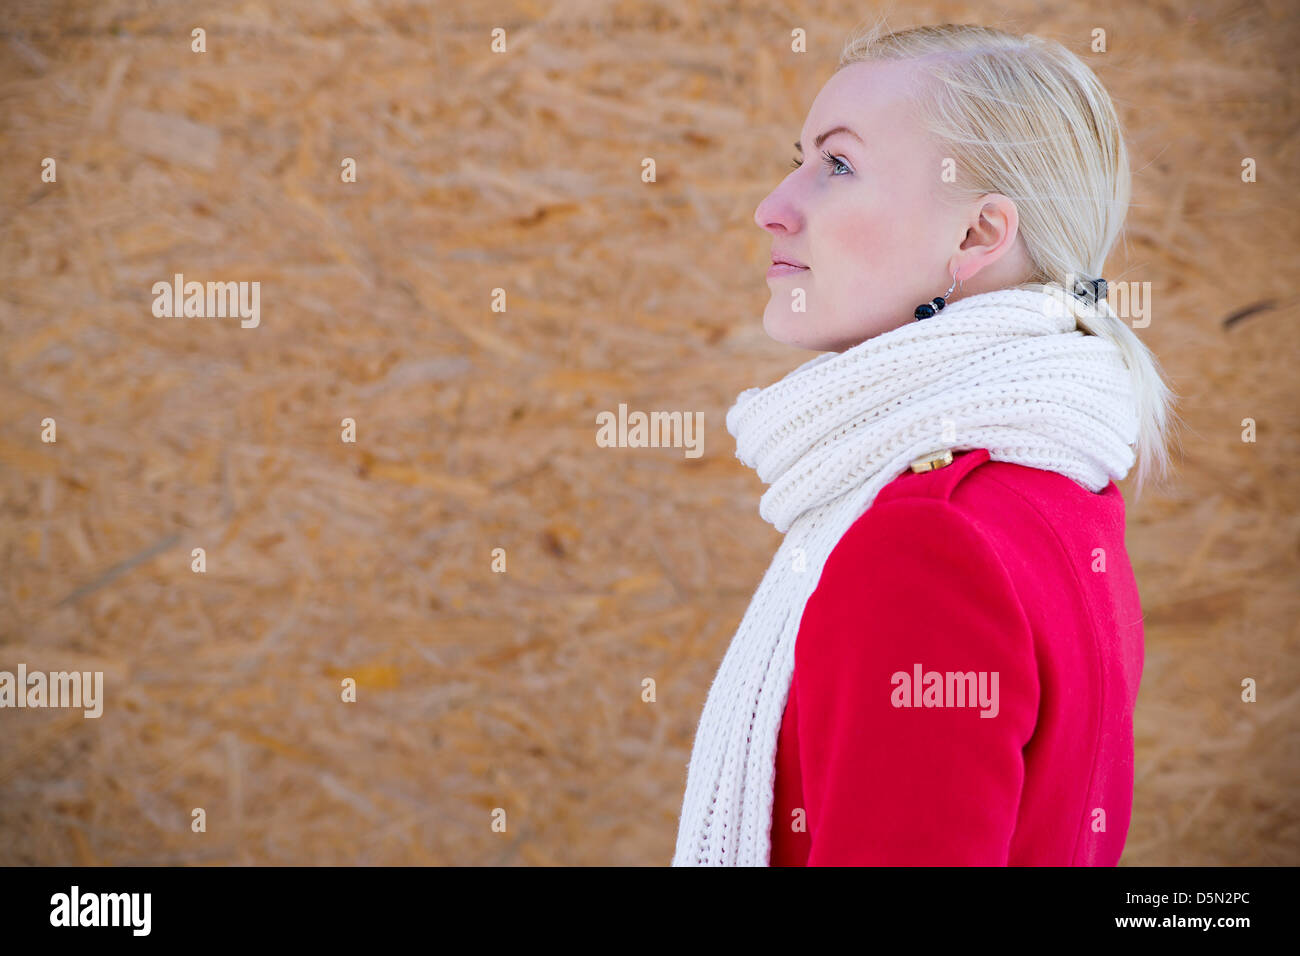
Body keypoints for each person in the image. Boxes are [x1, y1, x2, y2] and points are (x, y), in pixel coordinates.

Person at [672, 21, 1181, 866]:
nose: (773, 208)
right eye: (796, 158)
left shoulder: (926, 544)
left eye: (836, 165)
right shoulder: (1060, 499)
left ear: (978, 237)